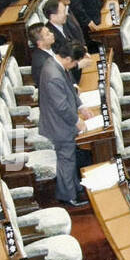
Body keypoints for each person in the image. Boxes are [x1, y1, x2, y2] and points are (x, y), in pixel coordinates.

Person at [39, 37, 94, 208]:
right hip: (58, 124)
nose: (75, 66)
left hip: (61, 120)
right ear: (69, 59)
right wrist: (77, 120)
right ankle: (67, 196)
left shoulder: (57, 64)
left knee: (70, 157)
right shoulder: (53, 74)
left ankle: (74, 187)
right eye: (75, 62)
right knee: (66, 159)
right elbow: (61, 106)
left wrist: (81, 106)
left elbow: (70, 89)